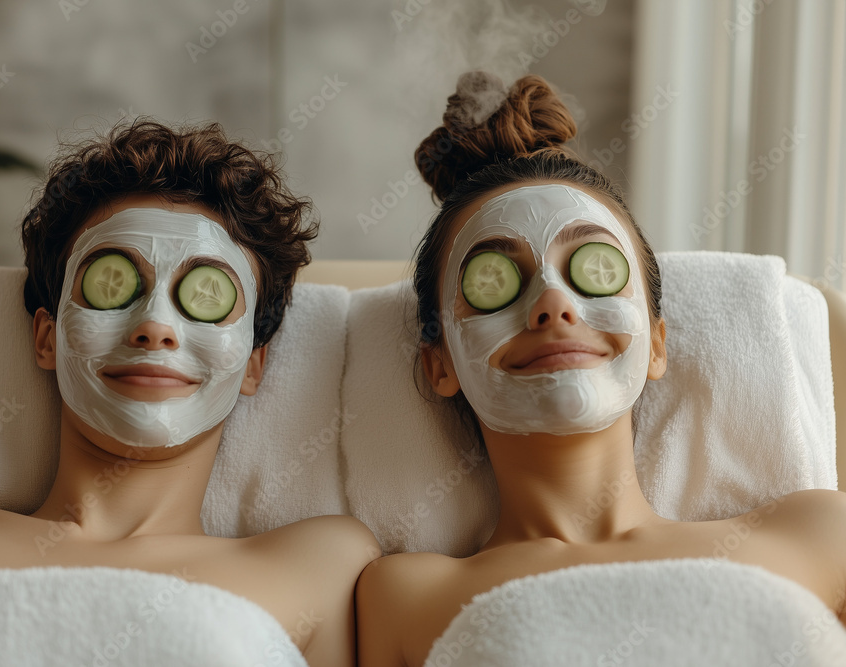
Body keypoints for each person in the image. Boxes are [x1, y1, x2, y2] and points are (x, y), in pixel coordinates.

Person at [355, 73, 846, 666]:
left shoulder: (818, 534)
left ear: (657, 344)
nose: (552, 303)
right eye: (495, 283)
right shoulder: (403, 595)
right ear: (440, 364)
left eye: (593, 270)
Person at [0, 120, 378, 665]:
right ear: (48, 339)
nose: (155, 327)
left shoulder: (322, 565)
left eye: (205, 296)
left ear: (251, 365)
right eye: (114, 284)